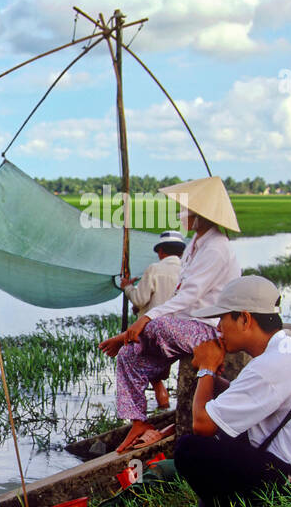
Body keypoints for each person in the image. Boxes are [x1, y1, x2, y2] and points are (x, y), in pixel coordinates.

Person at [174, 276, 291, 507]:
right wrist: (215, 381)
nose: (218, 327)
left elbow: (202, 425)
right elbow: (256, 397)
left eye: (223, 318)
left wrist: (206, 368)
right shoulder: (288, 351)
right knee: (227, 431)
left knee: (190, 449)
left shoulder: (269, 365)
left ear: (245, 319)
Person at [100, 177, 241, 453]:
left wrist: (145, 319)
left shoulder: (216, 248)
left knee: (155, 328)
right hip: (186, 327)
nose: (181, 214)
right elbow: (181, 295)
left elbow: (189, 295)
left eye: (186, 209)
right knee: (128, 356)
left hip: (208, 328)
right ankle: (139, 422)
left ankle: (129, 335)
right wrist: (147, 322)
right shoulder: (195, 245)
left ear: (201, 213)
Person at [119, 229, 186, 409]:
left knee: (155, 378)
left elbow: (141, 299)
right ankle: (163, 409)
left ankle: (152, 411)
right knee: (161, 374)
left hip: (155, 331)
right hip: (180, 332)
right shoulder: (187, 270)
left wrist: (128, 287)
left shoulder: (155, 269)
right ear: (181, 252)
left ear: (161, 251)